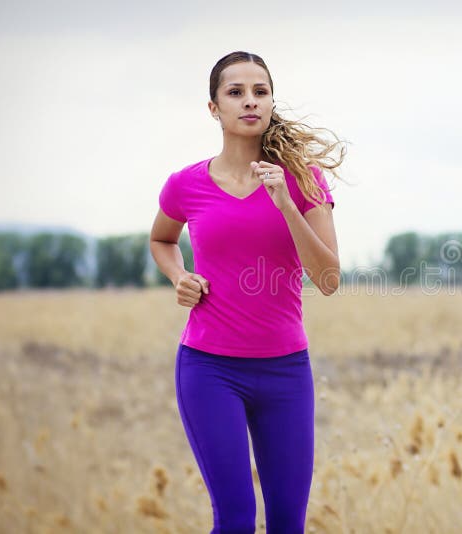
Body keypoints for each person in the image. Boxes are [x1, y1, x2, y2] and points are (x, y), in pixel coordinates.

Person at [149, 50, 346, 534]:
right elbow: (161, 239)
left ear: (272, 101)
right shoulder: (185, 184)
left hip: (285, 373)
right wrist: (180, 277)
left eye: (260, 91)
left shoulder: (303, 180)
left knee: (286, 525)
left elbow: (328, 279)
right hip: (209, 369)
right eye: (235, 92)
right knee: (236, 521)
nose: (249, 101)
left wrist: (285, 204)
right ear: (214, 108)